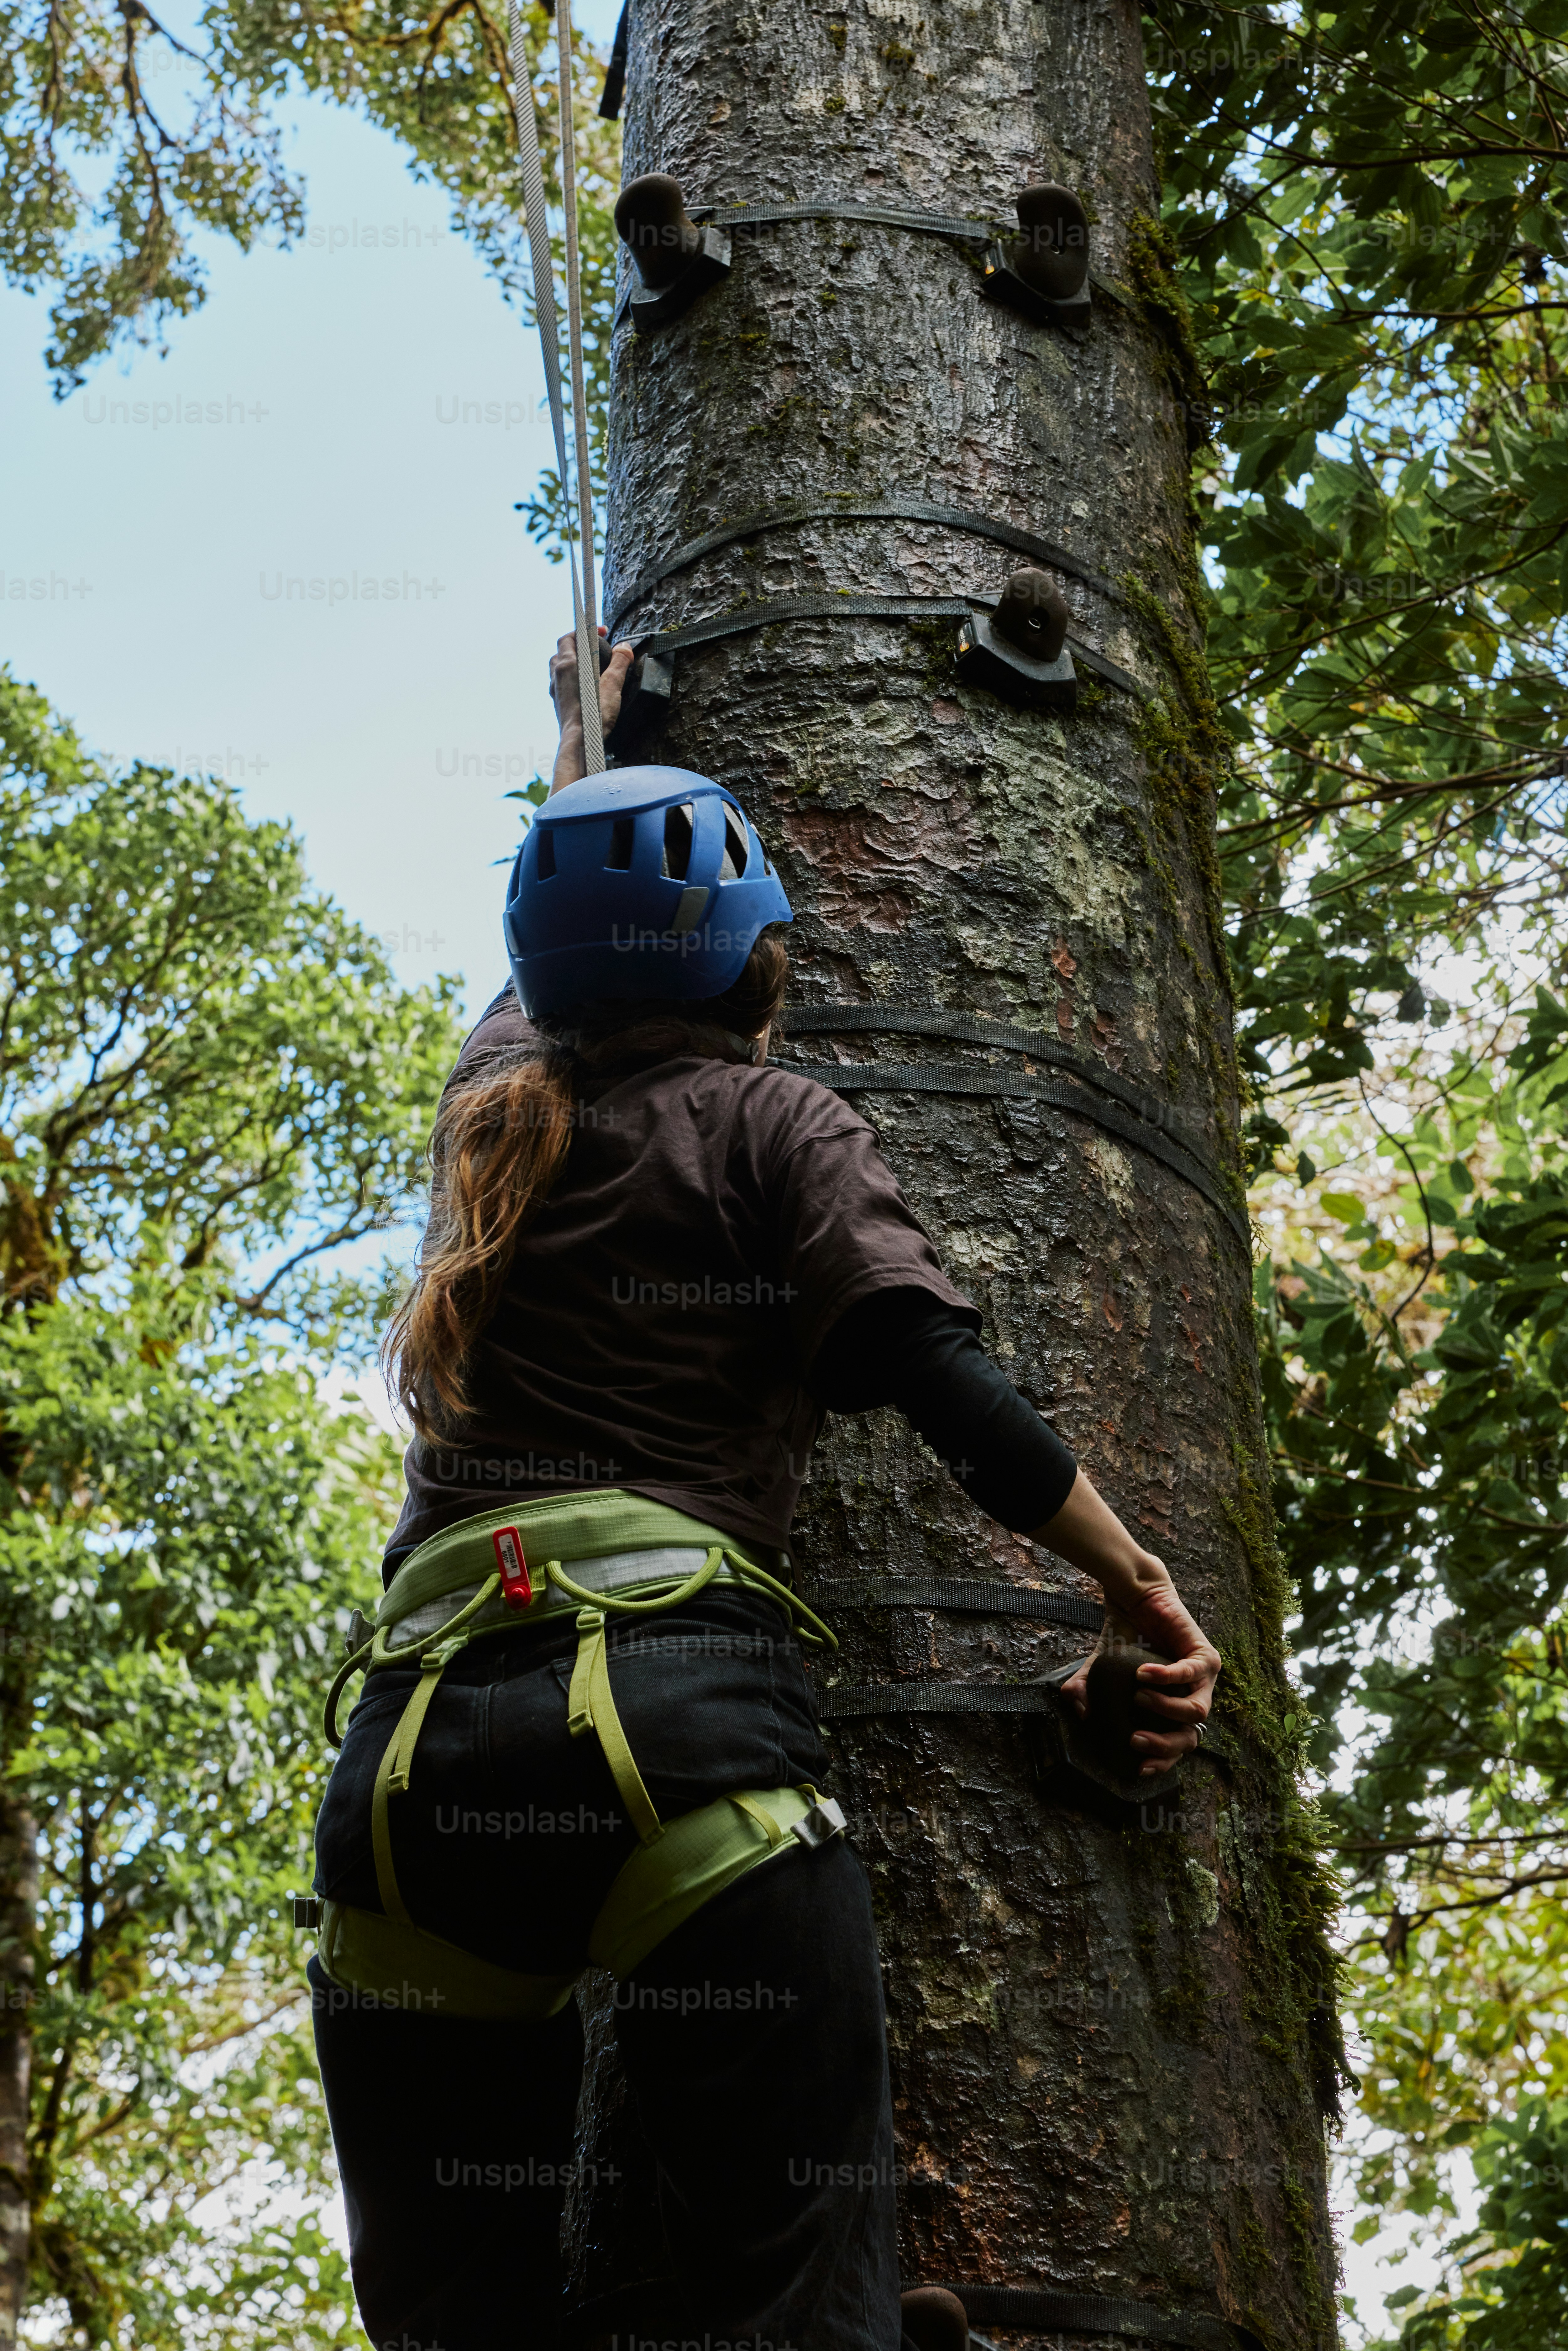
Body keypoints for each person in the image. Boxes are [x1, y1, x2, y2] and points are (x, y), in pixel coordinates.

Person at [307, 629, 1222, 2351]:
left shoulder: (487, 1120)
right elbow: (929, 1375)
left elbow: (555, 951)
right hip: (674, 1728)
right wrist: (1136, 1584)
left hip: (415, 1773)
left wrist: (585, 746)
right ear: (756, 964)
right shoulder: (775, 1118)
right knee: (798, 2309)